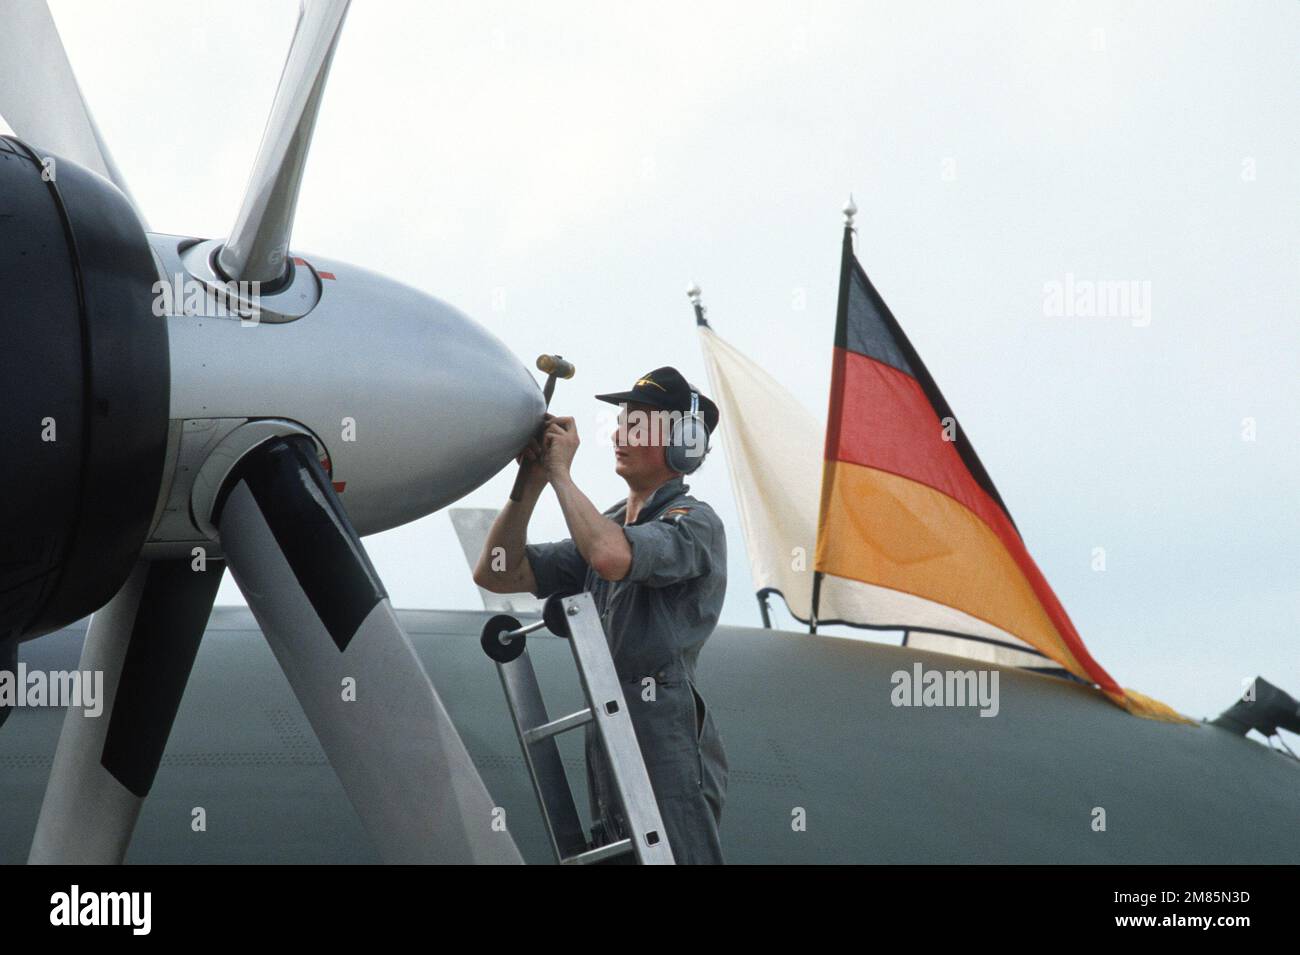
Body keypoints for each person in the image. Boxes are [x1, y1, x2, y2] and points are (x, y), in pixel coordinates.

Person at [473, 366, 728, 864]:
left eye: (642, 425)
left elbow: (613, 558)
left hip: (663, 741)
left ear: (685, 444)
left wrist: (561, 475)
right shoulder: (607, 525)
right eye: (623, 421)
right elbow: (498, 571)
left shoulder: (696, 523)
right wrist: (531, 478)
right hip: (612, 735)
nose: (621, 434)